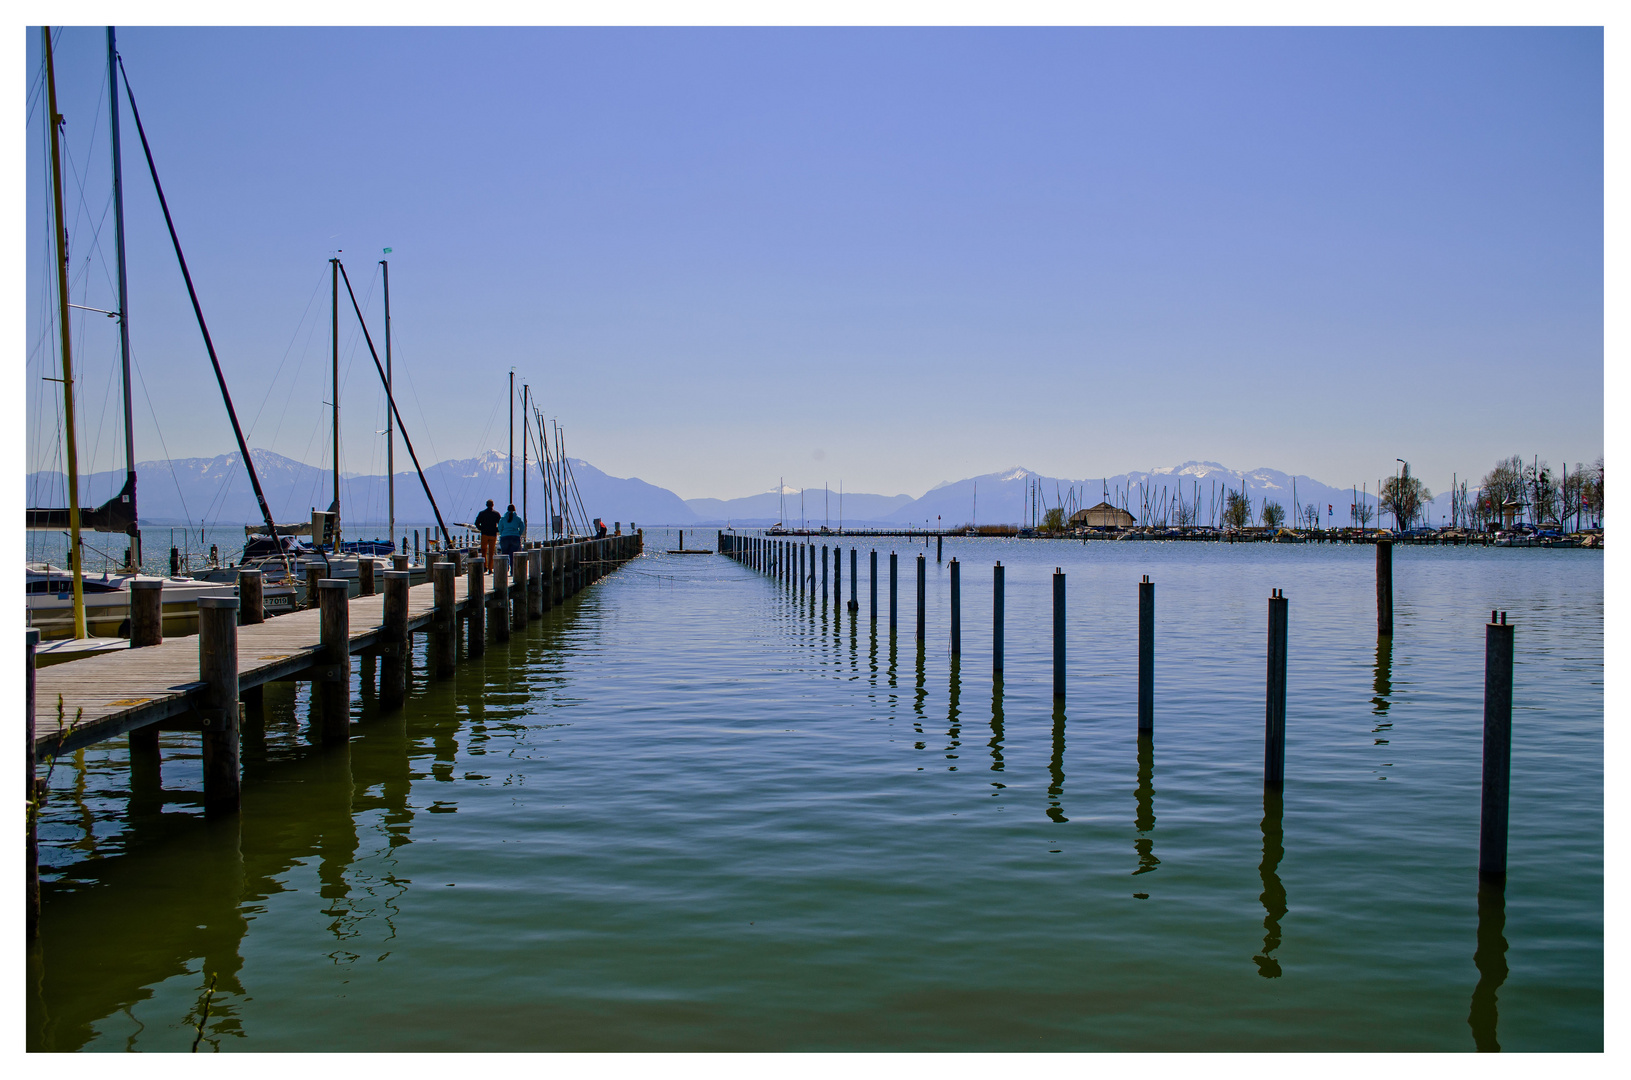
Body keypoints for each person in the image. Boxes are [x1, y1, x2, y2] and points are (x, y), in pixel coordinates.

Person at [475, 499, 501, 573]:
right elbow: (500, 524)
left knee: (484, 551)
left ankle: (484, 567)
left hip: (484, 534)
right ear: (492, 505)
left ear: (486, 505)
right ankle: (490, 568)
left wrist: (481, 529)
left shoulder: (482, 513)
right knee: (491, 552)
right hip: (493, 534)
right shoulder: (496, 514)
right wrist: (496, 530)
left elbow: (476, 523)